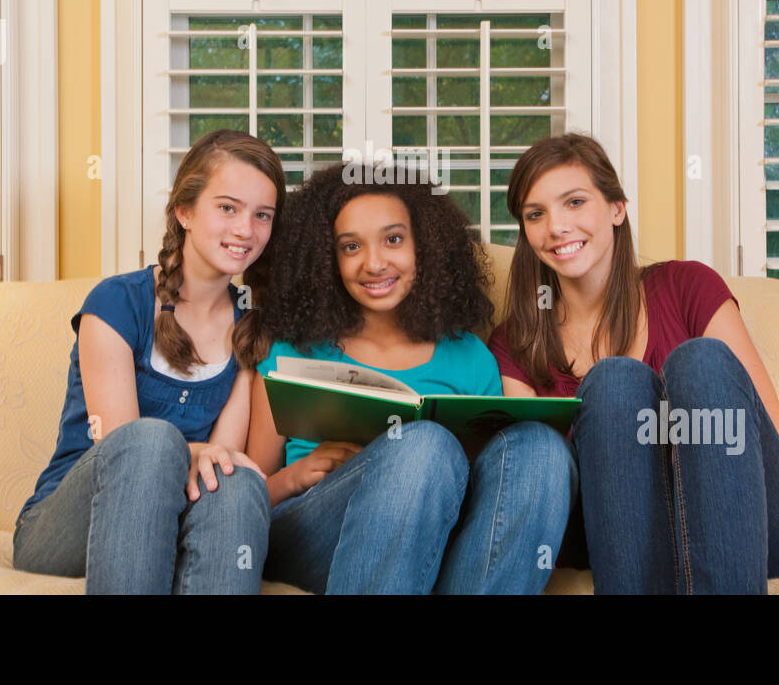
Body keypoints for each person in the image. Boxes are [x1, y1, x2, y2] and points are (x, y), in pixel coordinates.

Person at [489, 132, 779, 594]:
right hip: (626, 544)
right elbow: (536, 482)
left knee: (700, 361)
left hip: (760, 531)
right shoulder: (515, 342)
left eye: (575, 202)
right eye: (535, 214)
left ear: (617, 209)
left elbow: (773, 445)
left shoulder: (688, 286)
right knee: (612, 384)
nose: (556, 227)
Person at [245, 162, 575, 594]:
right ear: (328, 261)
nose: (375, 263)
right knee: (421, 441)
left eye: (393, 239)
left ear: (426, 248)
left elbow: (496, 480)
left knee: (542, 447)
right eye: (350, 247)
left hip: (440, 532)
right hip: (314, 529)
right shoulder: (289, 352)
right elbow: (246, 499)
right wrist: (295, 476)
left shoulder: (470, 357)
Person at [12, 130, 285, 594]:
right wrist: (197, 453)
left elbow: (227, 459)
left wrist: (215, 460)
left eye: (262, 215)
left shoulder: (251, 324)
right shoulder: (117, 303)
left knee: (237, 485)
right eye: (227, 208)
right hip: (69, 523)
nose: (246, 229)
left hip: (182, 518)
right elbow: (125, 445)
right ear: (184, 212)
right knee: (151, 442)